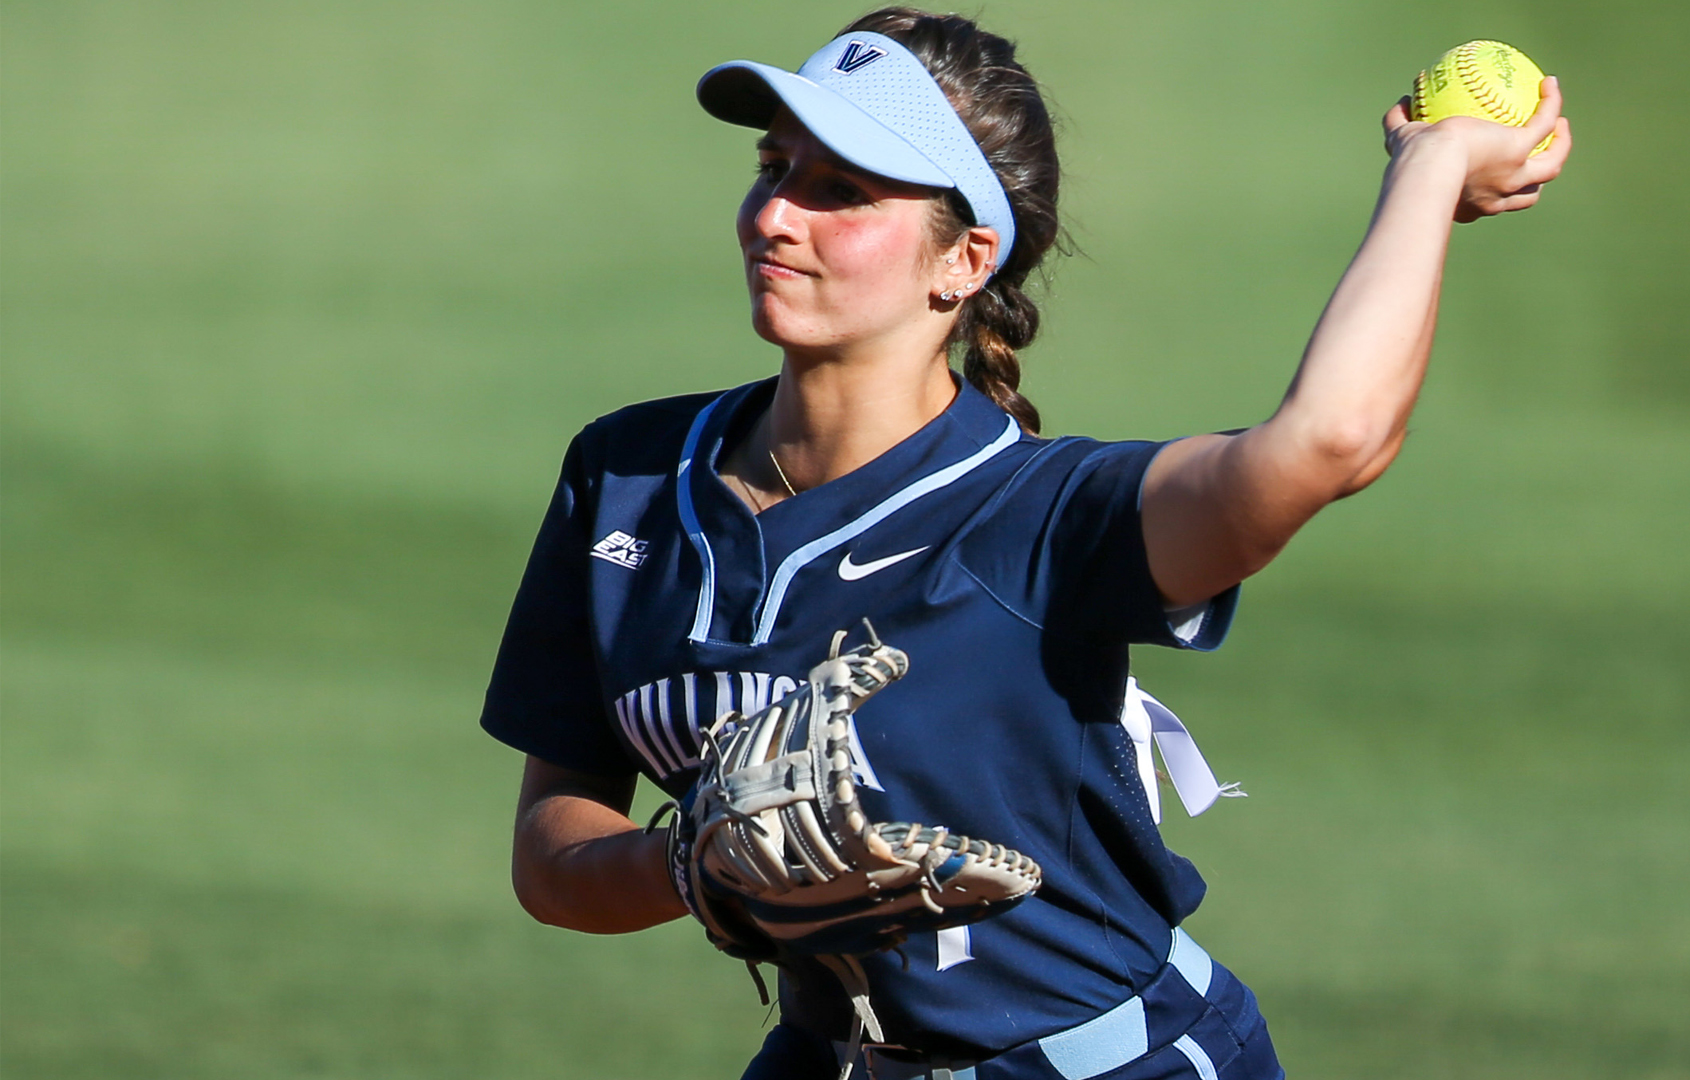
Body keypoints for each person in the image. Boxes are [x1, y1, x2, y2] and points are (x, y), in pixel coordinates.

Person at [480, 8, 1572, 1079]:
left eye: (841, 192)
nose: (775, 216)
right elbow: (551, 859)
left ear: (964, 260)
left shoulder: (1045, 518)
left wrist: (1427, 170)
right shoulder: (627, 475)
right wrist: (687, 866)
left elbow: (1332, 440)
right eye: (774, 167)